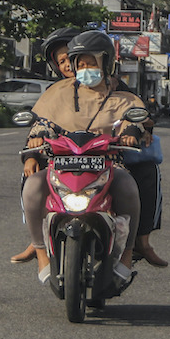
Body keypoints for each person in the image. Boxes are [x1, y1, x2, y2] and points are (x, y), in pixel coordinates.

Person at [20, 30, 145, 292]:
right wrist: (35, 143)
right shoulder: (57, 92)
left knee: (129, 187)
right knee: (32, 185)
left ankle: (127, 253)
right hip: (60, 166)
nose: (84, 69)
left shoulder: (124, 97)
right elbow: (40, 123)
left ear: (106, 63)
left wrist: (133, 132)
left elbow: (137, 120)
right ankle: (41, 252)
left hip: (107, 166)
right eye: (80, 63)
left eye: (91, 63)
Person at [10, 27, 78, 264]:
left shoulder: (112, 86)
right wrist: (31, 153)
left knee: (141, 174)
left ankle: (139, 241)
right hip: (60, 158)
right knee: (29, 177)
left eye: (73, 56)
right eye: (62, 60)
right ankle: (36, 239)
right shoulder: (52, 92)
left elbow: (135, 114)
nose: (68, 64)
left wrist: (136, 130)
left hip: (104, 157)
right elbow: (40, 123)